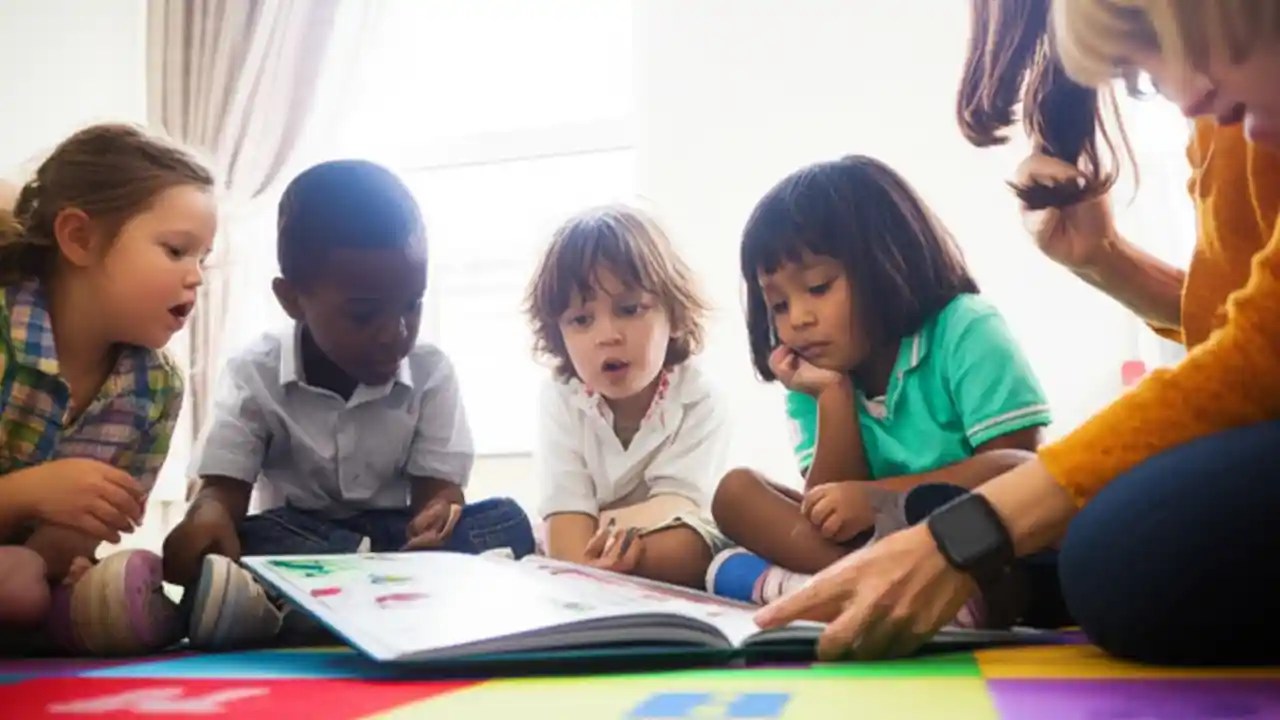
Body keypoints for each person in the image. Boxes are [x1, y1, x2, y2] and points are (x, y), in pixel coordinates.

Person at [757, 0, 1280, 665]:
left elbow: (1259, 353)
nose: (1189, 99)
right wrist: (1107, 261)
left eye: (819, 287)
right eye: (1140, 79)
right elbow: (1248, 328)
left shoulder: (961, 329)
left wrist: (963, 533)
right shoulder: (1234, 116)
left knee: (1113, 556)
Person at [163, 160, 534, 650]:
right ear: (292, 299)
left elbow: (439, 499)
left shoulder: (432, 374)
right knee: (254, 540)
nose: (395, 333)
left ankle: (302, 609)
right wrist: (205, 521)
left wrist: (439, 517)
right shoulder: (255, 372)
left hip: (402, 547)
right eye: (364, 314)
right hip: (303, 545)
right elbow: (221, 496)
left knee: (508, 520)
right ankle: (358, 598)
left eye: (412, 305)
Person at [707, 155, 1052, 625]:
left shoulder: (966, 327)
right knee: (735, 492)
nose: (798, 319)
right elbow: (825, 513)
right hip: (872, 542)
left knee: (1013, 478)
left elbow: (1020, 472)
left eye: (818, 287)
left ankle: (809, 589)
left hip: (977, 541)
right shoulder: (814, 376)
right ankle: (856, 588)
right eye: (779, 304)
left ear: (889, 261)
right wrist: (833, 398)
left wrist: (875, 496)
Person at [0, 124, 216, 655]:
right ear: (79, 238)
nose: (198, 278)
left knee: (28, 586)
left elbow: (91, 529)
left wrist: (62, 558)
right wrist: (29, 493)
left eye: (203, 258)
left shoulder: (157, 388)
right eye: (176, 251)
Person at [525, 204, 732, 589]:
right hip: (586, 551)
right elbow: (566, 512)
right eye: (581, 320)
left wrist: (595, 528)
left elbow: (676, 505)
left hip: (662, 545)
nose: (608, 335)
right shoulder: (561, 397)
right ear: (559, 334)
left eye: (630, 309)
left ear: (676, 315)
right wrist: (580, 549)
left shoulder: (700, 398)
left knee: (695, 544)